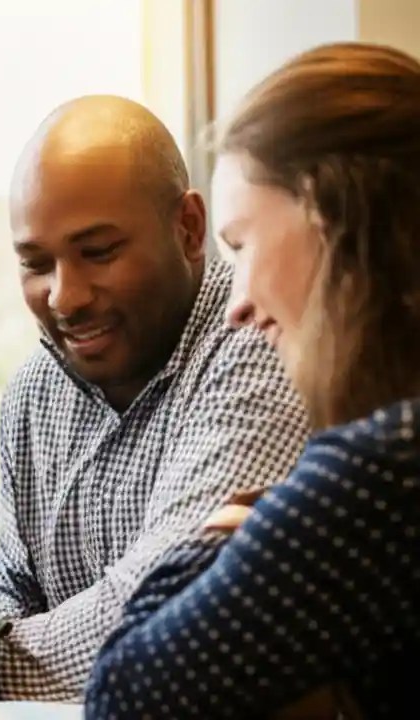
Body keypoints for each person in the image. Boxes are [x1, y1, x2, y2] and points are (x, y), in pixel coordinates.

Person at [86, 42, 420, 718]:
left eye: (241, 245)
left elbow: (123, 698)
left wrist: (210, 543)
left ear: (330, 213)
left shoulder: (385, 467)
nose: (236, 300)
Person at [0, 95, 309, 700]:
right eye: (36, 263)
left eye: (98, 253)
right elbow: (8, 591)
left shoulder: (260, 344)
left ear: (188, 228)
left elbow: (167, 614)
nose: (65, 297)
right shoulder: (31, 393)